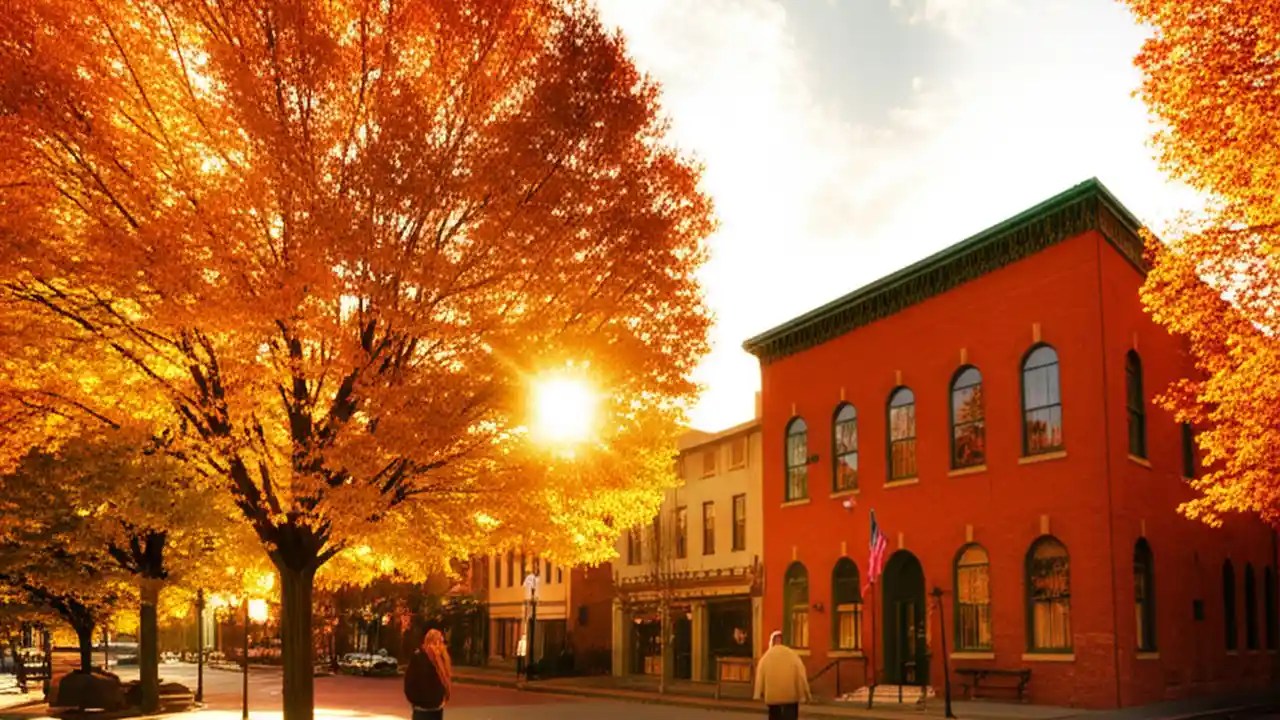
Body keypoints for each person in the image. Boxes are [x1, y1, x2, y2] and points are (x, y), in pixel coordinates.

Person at [753, 630, 811, 720]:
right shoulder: (793, 655)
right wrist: (806, 694)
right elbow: (801, 675)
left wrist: (758, 693)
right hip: (790, 696)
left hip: (773, 697)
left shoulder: (766, 657)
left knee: (774, 716)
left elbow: (760, 676)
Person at [404, 629, 452, 720]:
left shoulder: (442, 659)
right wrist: (417, 701)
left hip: (437, 708)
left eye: (440, 641)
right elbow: (410, 681)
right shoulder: (419, 657)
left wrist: (442, 697)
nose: (439, 645)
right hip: (422, 709)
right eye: (436, 642)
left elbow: (445, 680)